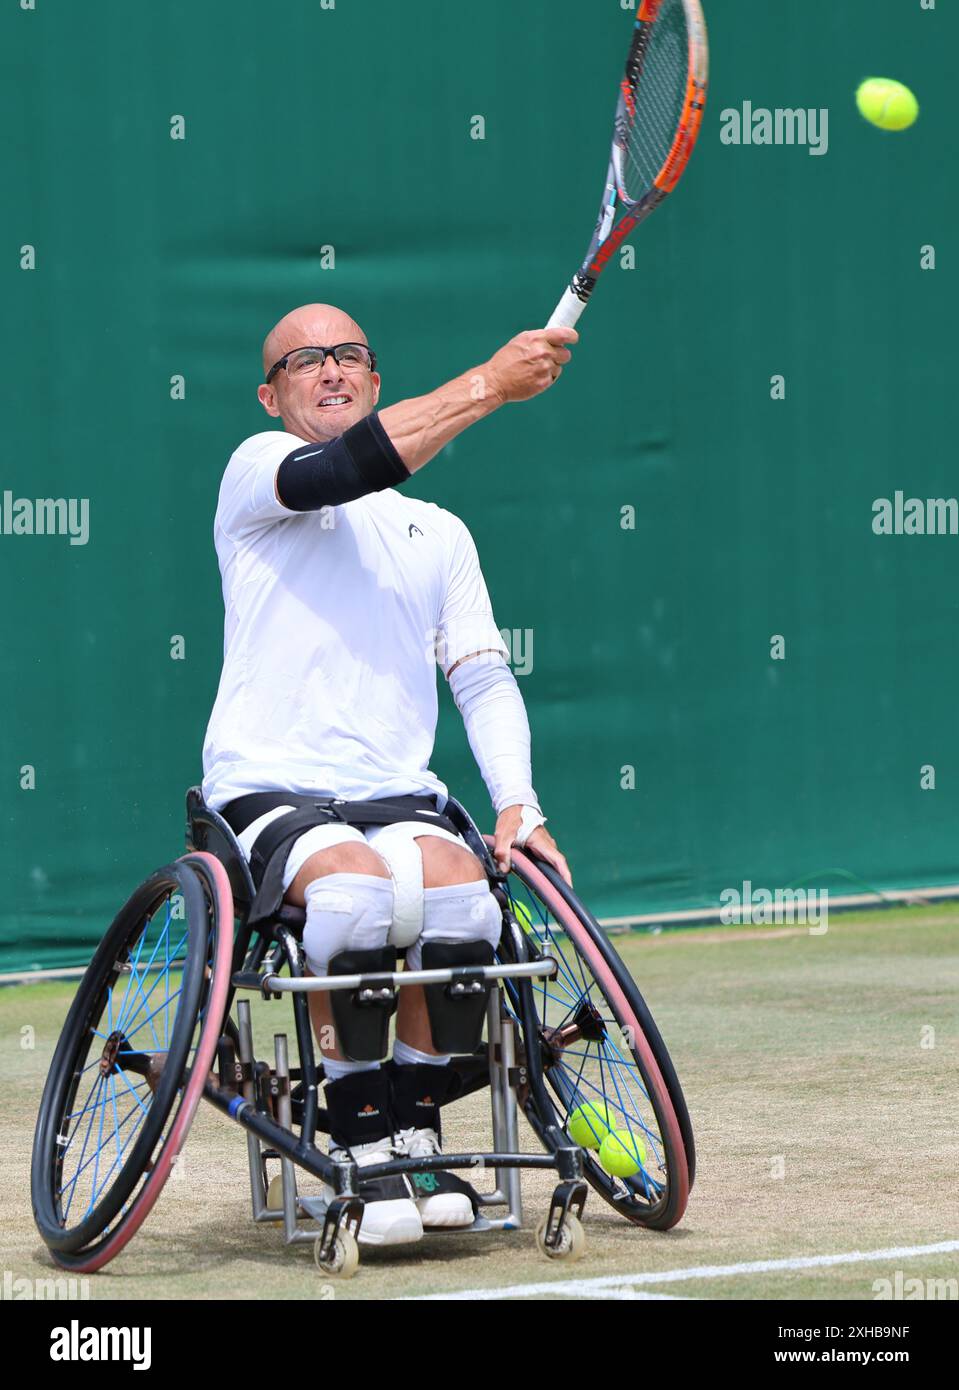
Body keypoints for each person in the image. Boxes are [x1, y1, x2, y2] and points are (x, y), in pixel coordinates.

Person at [201, 302, 577, 1245]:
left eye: (350, 356)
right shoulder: (258, 471)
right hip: (269, 784)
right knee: (357, 899)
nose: (330, 369)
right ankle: (357, 1138)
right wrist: (490, 383)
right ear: (273, 395)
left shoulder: (439, 535)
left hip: (396, 792)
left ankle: (413, 1125)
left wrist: (518, 805)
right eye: (304, 360)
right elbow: (349, 465)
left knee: (461, 900)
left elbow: (483, 678)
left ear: (373, 379)